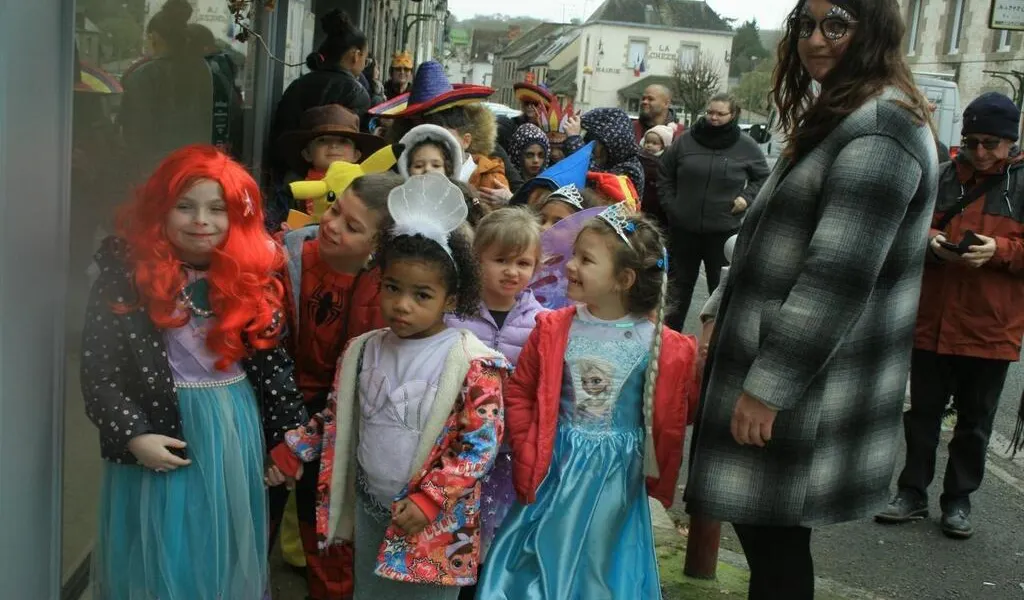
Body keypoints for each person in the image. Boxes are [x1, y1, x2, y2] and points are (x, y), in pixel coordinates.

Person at [684, 0, 938, 597]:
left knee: (773, 544)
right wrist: (719, 308)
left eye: (837, 24)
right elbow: (766, 233)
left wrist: (767, 389)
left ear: (874, 30)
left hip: (804, 379)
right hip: (784, 365)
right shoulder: (847, 110)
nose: (815, 39)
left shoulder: (883, 128)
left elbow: (838, 276)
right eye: (806, 23)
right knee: (768, 534)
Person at [268, 173, 509, 599]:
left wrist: (430, 500)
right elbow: (337, 415)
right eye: (393, 288)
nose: (402, 304)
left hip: (431, 524)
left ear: (450, 299)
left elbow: (478, 446)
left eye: (422, 295)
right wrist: (295, 448)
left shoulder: (471, 361)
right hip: (371, 509)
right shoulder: (362, 351)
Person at [82, 145, 307, 599]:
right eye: (184, 206)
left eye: (217, 209)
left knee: (217, 532)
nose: (200, 219)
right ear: (159, 210)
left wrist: (288, 439)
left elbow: (273, 364)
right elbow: (100, 371)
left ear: (239, 217)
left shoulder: (253, 278)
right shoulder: (126, 277)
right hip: (158, 423)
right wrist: (132, 434)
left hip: (229, 428)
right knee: (157, 537)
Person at [476, 204, 699, 599]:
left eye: (586, 259)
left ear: (623, 279)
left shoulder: (664, 347)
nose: (570, 266)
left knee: (601, 562)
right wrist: (528, 446)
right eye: (575, 255)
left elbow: (672, 416)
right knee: (535, 551)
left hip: (616, 475)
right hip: (554, 462)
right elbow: (522, 392)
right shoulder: (553, 328)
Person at [875, 92, 1024, 539]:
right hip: (932, 322)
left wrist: (1000, 250)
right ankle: (912, 492)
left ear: (1011, 142)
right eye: (973, 141)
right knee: (921, 413)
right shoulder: (941, 176)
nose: (980, 152)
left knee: (975, 423)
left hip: (991, 327)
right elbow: (906, 224)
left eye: (991, 144)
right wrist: (932, 240)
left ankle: (958, 500)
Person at [267, 172, 405, 600]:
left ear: (377, 250)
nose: (332, 224)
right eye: (335, 209)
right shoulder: (285, 257)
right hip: (275, 408)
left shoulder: (390, 289)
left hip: (343, 425)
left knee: (327, 535)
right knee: (257, 519)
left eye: (352, 226)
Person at [446, 207, 545, 600]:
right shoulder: (454, 315)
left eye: (523, 262)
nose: (512, 271)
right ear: (477, 260)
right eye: (500, 260)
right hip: (460, 448)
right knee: (457, 541)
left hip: (508, 454)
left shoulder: (542, 321)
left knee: (499, 543)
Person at [657, 93, 770, 330]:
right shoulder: (686, 141)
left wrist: (746, 198)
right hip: (683, 228)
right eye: (710, 113)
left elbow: (764, 179)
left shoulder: (746, 146)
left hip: (723, 230)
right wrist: (672, 206)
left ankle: (716, 343)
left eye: (720, 114)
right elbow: (665, 174)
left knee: (720, 290)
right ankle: (668, 342)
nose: (713, 118)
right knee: (677, 291)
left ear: (733, 115)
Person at [270, 10, 371, 181]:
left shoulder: (298, 85)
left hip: (292, 176)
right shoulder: (357, 92)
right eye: (366, 59)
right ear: (355, 55)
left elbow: (281, 131)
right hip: (337, 181)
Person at [118, 0, 214, 179]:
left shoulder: (143, 75)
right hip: (195, 169)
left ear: (154, 37)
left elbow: (135, 135)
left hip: (155, 173)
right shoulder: (202, 69)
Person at [267, 104, 388, 231]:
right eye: (323, 140)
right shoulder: (292, 185)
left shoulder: (367, 185)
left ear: (356, 155)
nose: (334, 145)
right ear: (307, 154)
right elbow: (275, 219)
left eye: (343, 141)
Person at [563, 107, 646, 192]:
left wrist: (574, 140)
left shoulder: (631, 169)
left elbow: (595, 180)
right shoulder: (615, 161)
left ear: (610, 143)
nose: (590, 147)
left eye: (593, 140)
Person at [396, 123, 465, 178]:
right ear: (407, 170)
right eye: (418, 166)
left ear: (447, 170)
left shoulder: (461, 195)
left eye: (436, 165)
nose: (427, 169)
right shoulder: (396, 195)